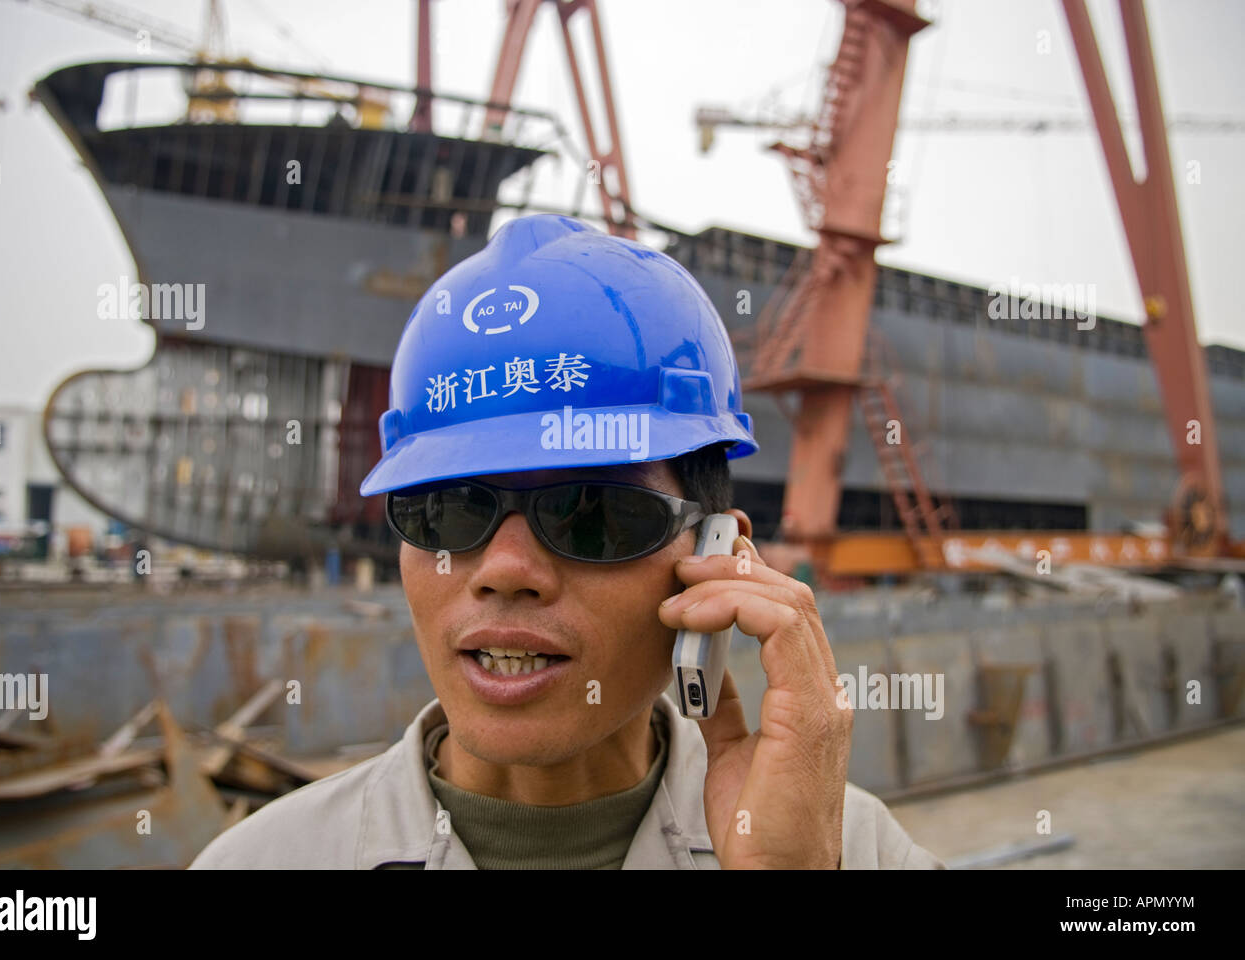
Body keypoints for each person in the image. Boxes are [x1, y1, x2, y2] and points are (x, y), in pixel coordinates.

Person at [190, 214, 944, 869]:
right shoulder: (261, 862)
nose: (506, 571)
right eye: (447, 512)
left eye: (590, 515)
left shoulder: (854, 854)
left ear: (717, 561)